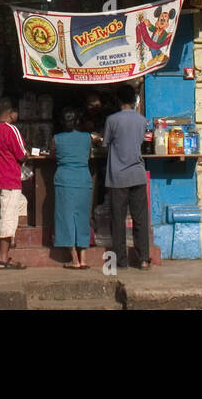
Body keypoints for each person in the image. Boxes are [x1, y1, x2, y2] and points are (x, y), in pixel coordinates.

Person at [103, 83, 150, 270]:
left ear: (119, 100)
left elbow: (105, 142)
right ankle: (144, 259)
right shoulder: (142, 120)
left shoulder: (112, 120)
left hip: (118, 177)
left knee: (118, 220)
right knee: (140, 219)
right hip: (137, 174)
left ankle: (120, 261)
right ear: (133, 100)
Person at [0, 99, 27, 270]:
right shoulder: (11, 130)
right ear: (11, 114)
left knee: (20, 205)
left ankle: (12, 240)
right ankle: (3, 258)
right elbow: (22, 154)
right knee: (8, 216)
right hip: (9, 179)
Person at [51, 107, 93, 269]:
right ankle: (84, 259)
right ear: (77, 122)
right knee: (82, 217)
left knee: (65, 218)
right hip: (83, 179)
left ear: (62, 122)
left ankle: (74, 259)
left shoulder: (57, 138)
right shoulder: (87, 137)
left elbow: (52, 155)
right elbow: (88, 155)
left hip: (64, 180)